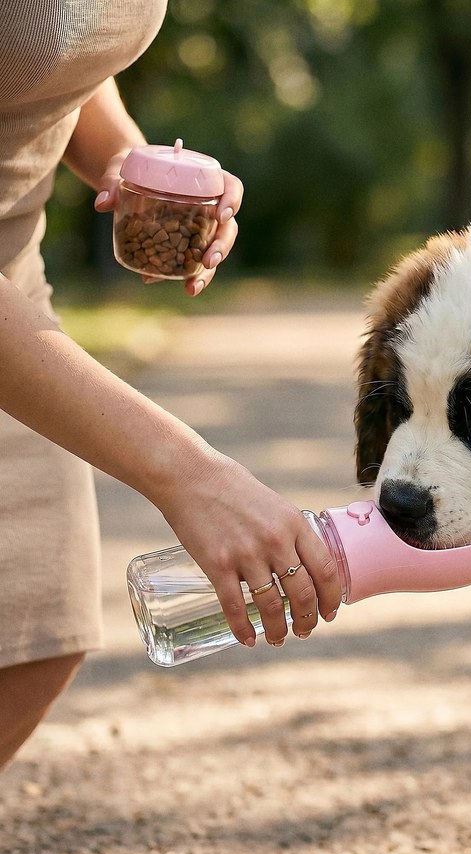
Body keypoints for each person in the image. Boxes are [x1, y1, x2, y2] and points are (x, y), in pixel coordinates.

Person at [0, 2, 341, 770]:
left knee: (32, 637)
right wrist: (189, 474)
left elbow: (52, 51)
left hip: (14, 290)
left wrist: (126, 158)